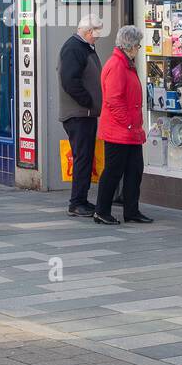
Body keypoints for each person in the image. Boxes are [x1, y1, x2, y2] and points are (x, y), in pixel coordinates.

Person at [94, 26, 151, 226]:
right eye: (138, 45)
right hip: (119, 130)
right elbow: (113, 100)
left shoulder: (125, 63)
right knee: (113, 171)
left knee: (134, 170)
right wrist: (128, 123)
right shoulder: (118, 65)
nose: (139, 48)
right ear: (131, 46)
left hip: (130, 130)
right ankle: (101, 211)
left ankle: (132, 210)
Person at [59, 15, 104, 217]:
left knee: (85, 157)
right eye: (96, 34)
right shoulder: (73, 48)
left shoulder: (83, 47)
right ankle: (77, 202)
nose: (97, 38)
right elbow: (70, 81)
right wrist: (88, 101)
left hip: (85, 113)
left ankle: (81, 200)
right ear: (88, 32)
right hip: (79, 114)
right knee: (83, 157)